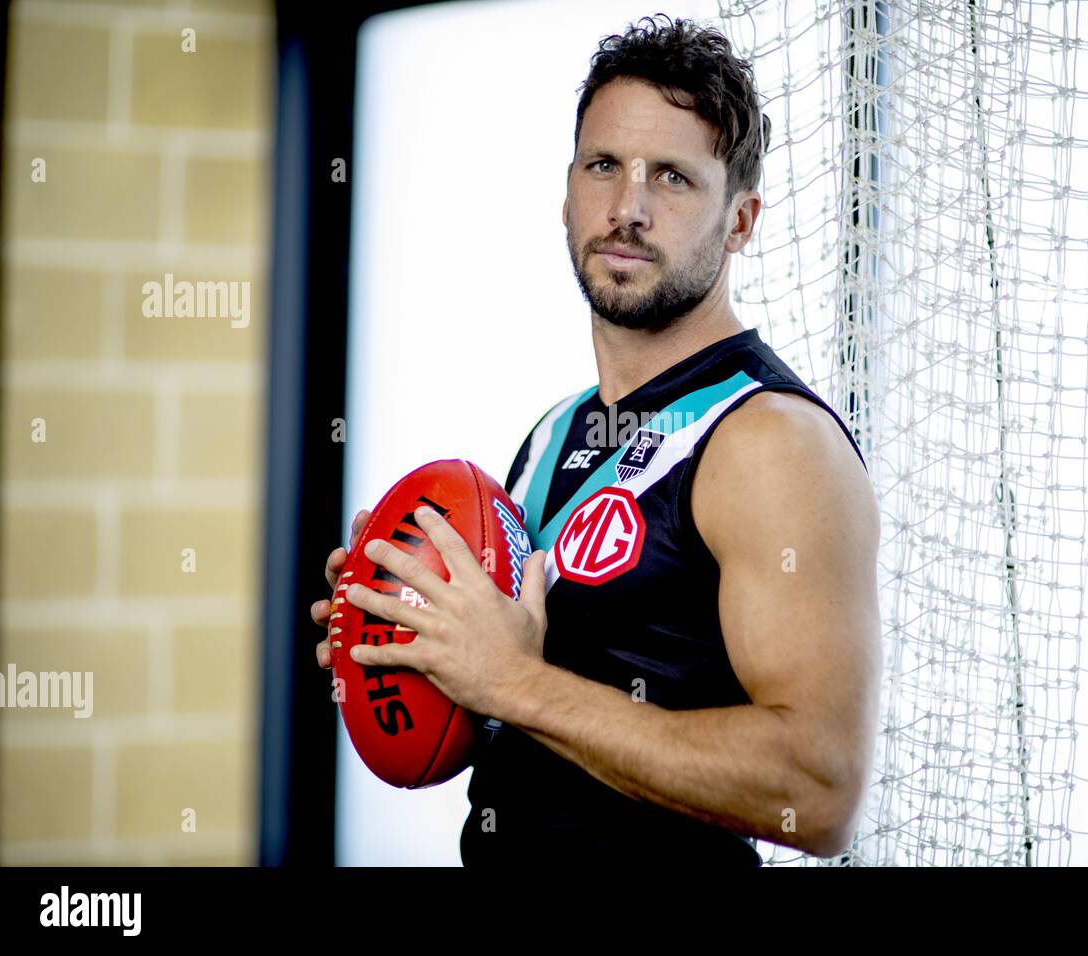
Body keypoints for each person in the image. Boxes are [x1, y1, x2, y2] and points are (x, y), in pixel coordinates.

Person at [311, 14, 882, 866]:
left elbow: (820, 790)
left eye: (674, 179)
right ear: (568, 186)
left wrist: (514, 683)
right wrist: (410, 636)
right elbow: (521, 720)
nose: (628, 209)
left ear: (740, 220)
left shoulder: (770, 442)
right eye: (604, 165)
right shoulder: (552, 437)